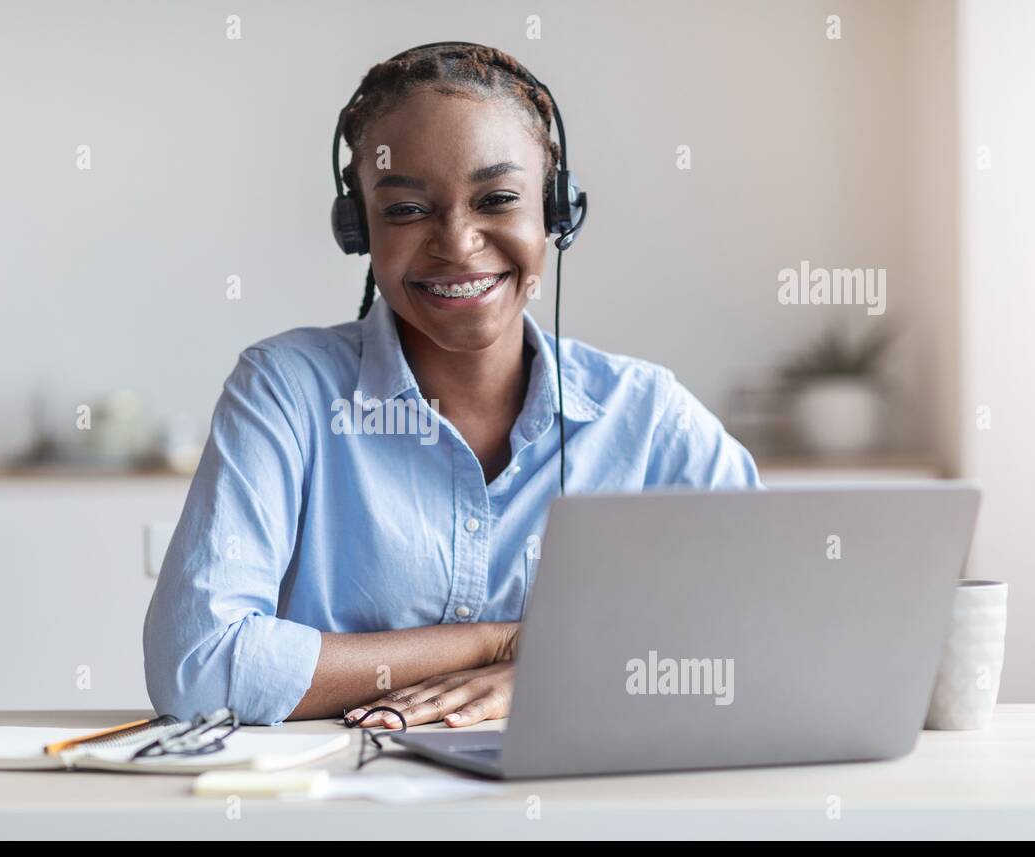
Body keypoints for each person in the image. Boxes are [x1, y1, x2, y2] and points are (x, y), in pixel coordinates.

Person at [144, 43, 761, 729]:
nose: (457, 242)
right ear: (359, 228)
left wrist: (547, 674)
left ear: (557, 212)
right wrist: (495, 643)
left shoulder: (647, 417)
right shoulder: (286, 393)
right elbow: (199, 666)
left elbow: (771, 627)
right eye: (407, 209)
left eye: (497, 198)